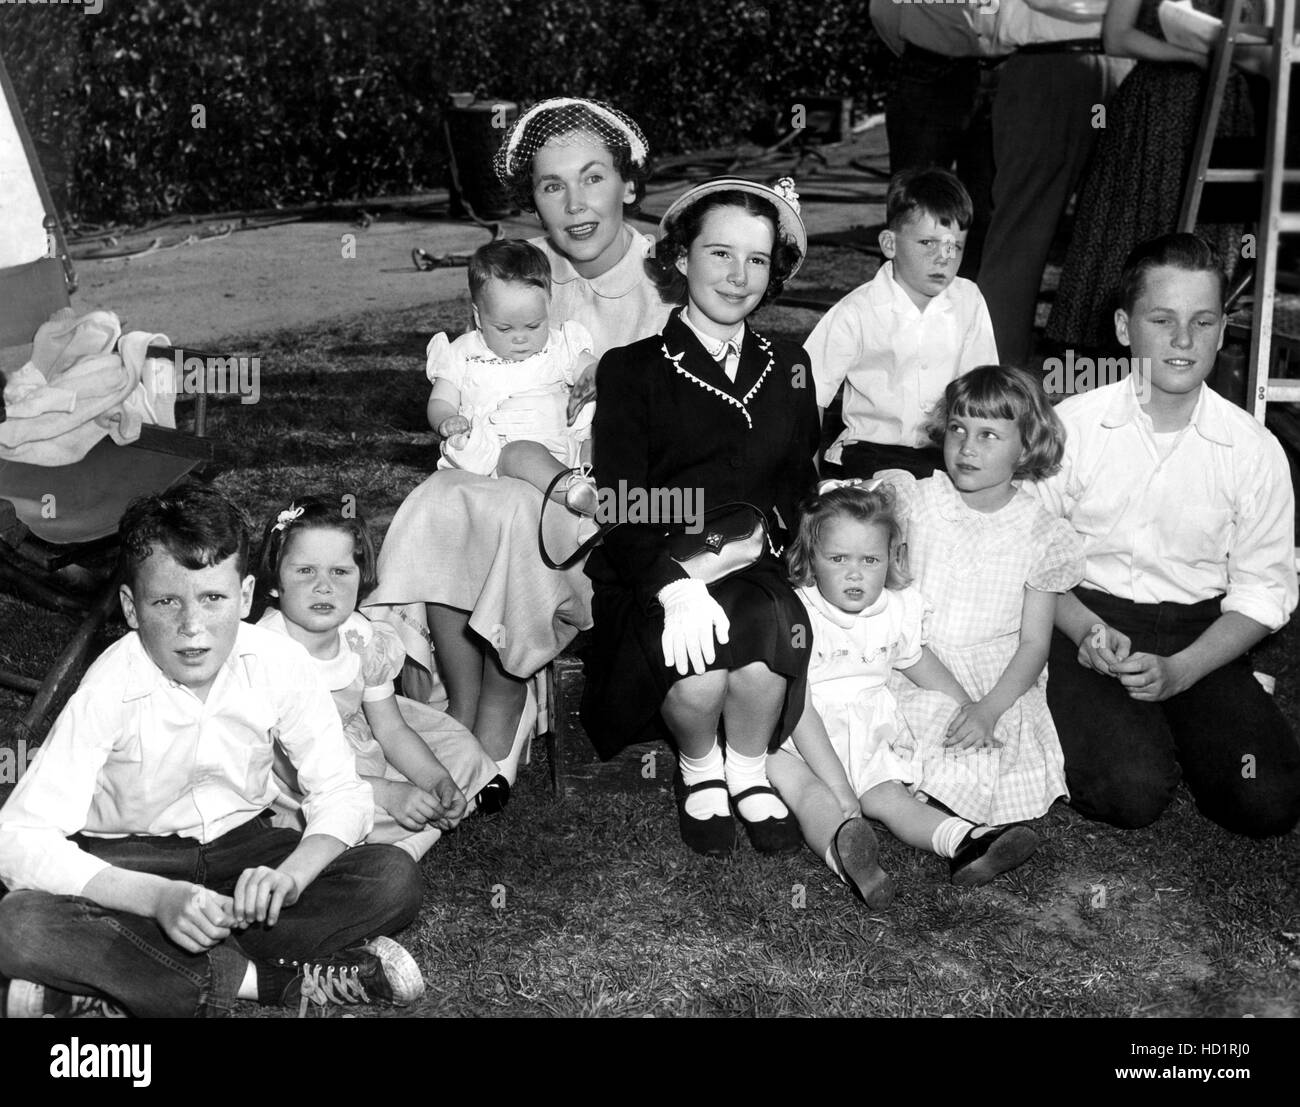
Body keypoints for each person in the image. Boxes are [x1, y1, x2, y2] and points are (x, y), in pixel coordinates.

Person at [0, 485, 425, 1018]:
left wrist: (290, 876)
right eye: (165, 602)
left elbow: (341, 790)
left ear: (246, 596)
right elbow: (17, 838)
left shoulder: (280, 663)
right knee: (20, 922)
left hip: (243, 858)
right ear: (132, 608)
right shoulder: (108, 686)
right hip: (134, 861)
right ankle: (268, 983)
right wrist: (156, 899)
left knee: (390, 877)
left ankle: (121, 977)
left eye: (213, 599)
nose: (192, 627)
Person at [363, 98, 672, 790]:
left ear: (628, 185)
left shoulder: (664, 284)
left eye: (593, 178)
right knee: (443, 495)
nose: (575, 203)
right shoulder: (524, 271)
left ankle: (500, 705)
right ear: (532, 198)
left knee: (504, 509)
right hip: (505, 472)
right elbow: (479, 378)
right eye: (551, 185)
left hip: (613, 502)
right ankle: (464, 701)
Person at [580, 177, 818, 858]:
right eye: (720, 254)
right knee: (701, 661)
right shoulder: (633, 370)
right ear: (682, 258)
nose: (737, 276)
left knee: (769, 625)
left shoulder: (791, 366)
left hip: (752, 562)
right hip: (654, 562)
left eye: (756, 260)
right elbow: (621, 503)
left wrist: (784, 540)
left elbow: (800, 483)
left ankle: (745, 766)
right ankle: (697, 764)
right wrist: (674, 580)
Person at [1036, 233, 1300, 836]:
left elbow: (1264, 590)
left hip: (1200, 630)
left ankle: (1193, 713)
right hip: (1089, 618)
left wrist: (1184, 670)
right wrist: (1084, 629)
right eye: (1163, 320)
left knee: (1267, 801)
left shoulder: (1254, 450)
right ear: (1126, 328)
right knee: (1130, 792)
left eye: (1202, 322)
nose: (1184, 341)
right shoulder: (1073, 428)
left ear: (1223, 328)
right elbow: (1029, 555)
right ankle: (1120, 731)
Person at [768, 481, 1042, 907]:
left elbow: (916, 661)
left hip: (869, 730)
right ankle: (849, 859)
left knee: (890, 797)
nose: (855, 573)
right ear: (811, 559)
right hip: (799, 735)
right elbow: (799, 706)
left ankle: (966, 842)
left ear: (890, 559)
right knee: (815, 795)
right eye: (838, 558)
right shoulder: (799, 612)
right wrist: (841, 786)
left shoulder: (895, 609)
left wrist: (966, 704)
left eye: (870, 559)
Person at [880, 365, 1084, 826]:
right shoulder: (918, 501)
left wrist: (990, 708)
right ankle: (915, 807)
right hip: (916, 659)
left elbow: (1034, 643)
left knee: (985, 744)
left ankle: (944, 810)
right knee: (912, 722)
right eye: (958, 429)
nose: (967, 448)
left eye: (989, 435)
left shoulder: (1041, 533)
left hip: (995, 676)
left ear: (1027, 445)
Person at [253, 496, 501, 861]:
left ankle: (423, 814)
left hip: (357, 737)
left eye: (340, 572)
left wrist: (435, 780)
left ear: (360, 579)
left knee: (459, 748)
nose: (324, 586)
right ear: (274, 582)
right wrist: (385, 791)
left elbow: (391, 729)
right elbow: (289, 768)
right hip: (294, 768)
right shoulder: (266, 652)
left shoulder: (363, 638)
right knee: (339, 808)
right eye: (305, 571)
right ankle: (402, 839)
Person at [1045, 0, 1260, 353]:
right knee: (1138, 224)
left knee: (1219, 229)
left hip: (1226, 107)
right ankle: (1117, 355)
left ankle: (1195, 345)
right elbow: (1117, 37)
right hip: (1158, 105)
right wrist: (1189, 55)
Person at [806, 167, 997, 480]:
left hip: (946, 451)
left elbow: (983, 388)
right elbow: (809, 395)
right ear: (889, 244)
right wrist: (807, 482)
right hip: (872, 451)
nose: (944, 258)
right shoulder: (857, 311)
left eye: (955, 246)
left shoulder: (968, 299)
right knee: (897, 499)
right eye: (927, 243)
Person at [975, 0, 1130, 367]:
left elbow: (986, 34)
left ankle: (997, 381)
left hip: (1080, 65)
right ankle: (996, 382)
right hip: (1089, 64)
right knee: (1029, 231)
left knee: (1118, 237)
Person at [428, 239, 600, 518]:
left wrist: (594, 379)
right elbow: (440, 399)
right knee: (523, 454)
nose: (520, 338)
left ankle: (602, 499)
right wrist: (446, 419)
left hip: (566, 442)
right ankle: (575, 493)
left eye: (534, 325)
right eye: (504, 328)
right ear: (479, 317)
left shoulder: (559, 345)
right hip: (499, 453)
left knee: (603, 437)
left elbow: (594, 371)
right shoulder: (463, 353)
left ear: (548, 307)